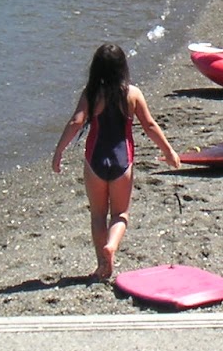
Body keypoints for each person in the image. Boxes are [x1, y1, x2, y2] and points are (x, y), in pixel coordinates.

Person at [51, 43, 180, 282]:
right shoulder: (132, 94)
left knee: (98, 215)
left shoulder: (91, 93)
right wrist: (169, 151)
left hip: (94, 160)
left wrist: (59, 151)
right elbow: (150, 126)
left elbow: (76, 122)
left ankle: (103, 264)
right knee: (120, 214)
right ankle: (112, 245)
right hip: (123, 162)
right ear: (123, 67)